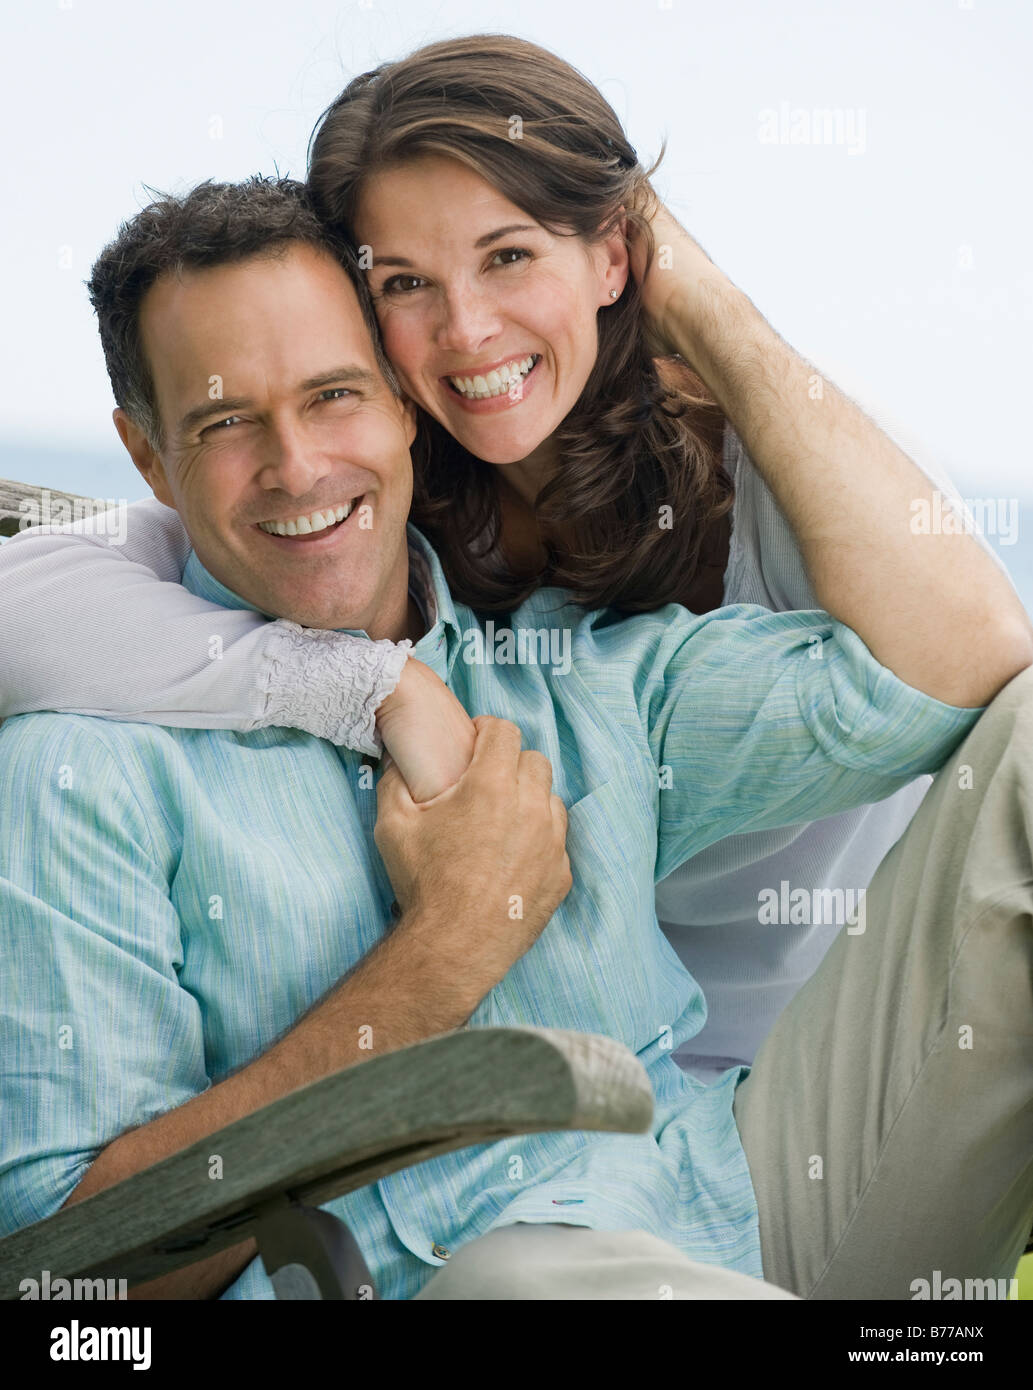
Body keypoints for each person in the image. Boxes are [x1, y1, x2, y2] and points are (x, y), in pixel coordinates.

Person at [1, 176, 1031, 1303]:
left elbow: (943, 673)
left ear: (403, 400)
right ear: (147, 457)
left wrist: (689, 291)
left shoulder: (564, 668)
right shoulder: (83, 771)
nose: (297, 467)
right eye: (224, 422)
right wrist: (440, 950)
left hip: (738, 1203)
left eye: (334, 395)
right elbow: (73, 1276)